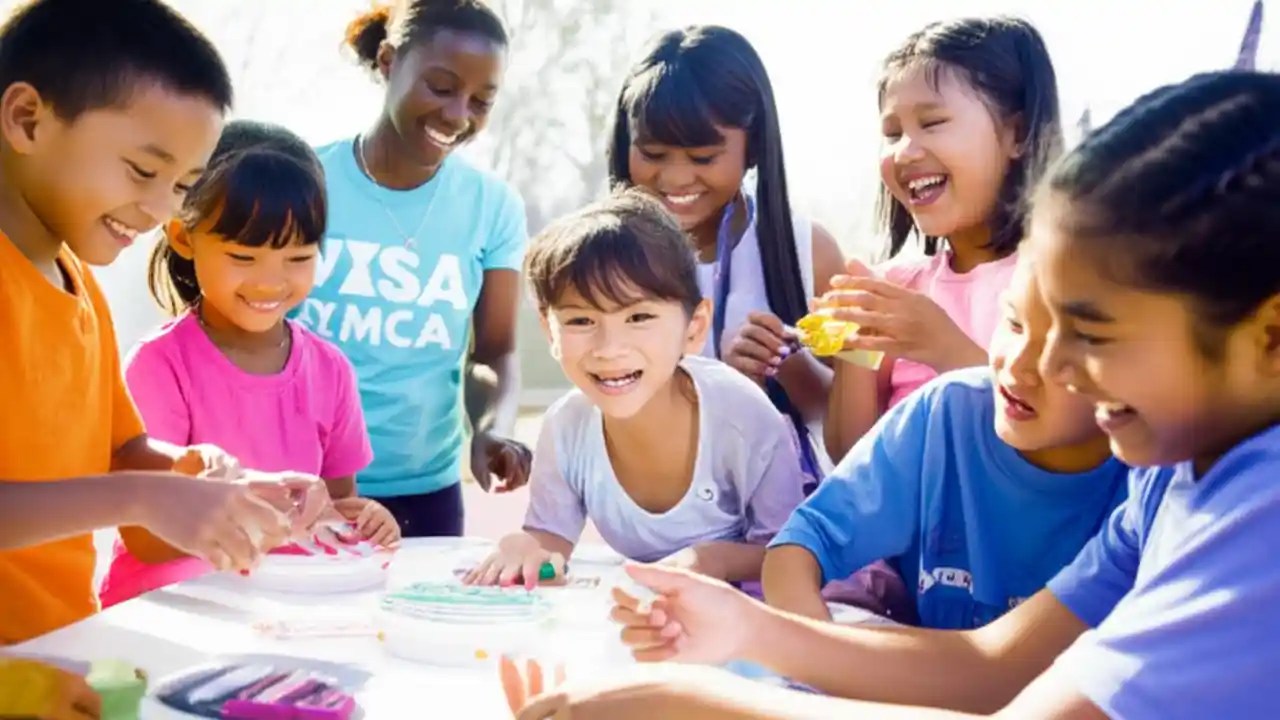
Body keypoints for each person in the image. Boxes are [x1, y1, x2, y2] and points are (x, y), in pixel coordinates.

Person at [507, 70, 1280, 720]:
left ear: (1269, 334)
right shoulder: (1172, 480)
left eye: (1094, 332)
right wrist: (746, 630)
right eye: (1021, 320)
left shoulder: (1262, 508)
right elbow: (992, 669)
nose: (1049, 366)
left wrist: (691, 699)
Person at [0, 0, 328, 645]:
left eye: (181, 188)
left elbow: (122, 454)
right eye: (144, 171)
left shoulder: (79, 282)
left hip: (58, 651)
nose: (156, 209)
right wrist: (141, 500)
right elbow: (127, 491)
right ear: (26, 118)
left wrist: (220, 485)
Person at [99, 121, 402, 608]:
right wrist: (255, 516)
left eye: (298, 257)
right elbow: (144, 538)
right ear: (183, 237)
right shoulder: (159, 367)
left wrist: (362, 518)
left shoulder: (331, 370)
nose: (270, 282)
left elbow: (335, 505)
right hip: (169, 608)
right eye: (244, 255)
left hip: (276, 607)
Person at [465, 190, 805, 588]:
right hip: (646, 620)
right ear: (549, 330)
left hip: (755, 617)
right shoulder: (566, 426)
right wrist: (526, 548)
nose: (610, 349)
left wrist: (716, 560)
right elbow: (551, 539)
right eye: (580, 321)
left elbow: (791, 551)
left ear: (693, 328)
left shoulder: (740, 414)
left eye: (639, 316)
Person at [763, 259, 1126, 627]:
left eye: (1058, 351)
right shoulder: (947, 410)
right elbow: (802, 544)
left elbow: (1006, 663)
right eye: (1014, 322)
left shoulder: (1152, 485)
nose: (1017, 367)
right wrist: (817, 651)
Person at [294, 0, 531, 537]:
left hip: (425, 495)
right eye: (441, 88)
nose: (458, 114)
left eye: (480, 101)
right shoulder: (305, 179)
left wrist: (492, 428)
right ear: (387, 62)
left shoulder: (494, 207)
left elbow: (494, 351)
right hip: (301, 483)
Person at [607, 25, 846, 478]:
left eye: (702, 159)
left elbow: (848, 426)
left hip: (782, 519)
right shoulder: (607, 261)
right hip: (659, 512)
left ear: (752, 147)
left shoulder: (806, 252)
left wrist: (785, 368)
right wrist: (726, 388)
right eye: (653, 153)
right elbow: (606, 413)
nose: (675, 180)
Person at [824, 16, 1063, 460]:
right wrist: (858, 347)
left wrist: (943, 348)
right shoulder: (897, 285)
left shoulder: (1059, 281)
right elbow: (851, 461)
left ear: (1016, 134)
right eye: (892, 133)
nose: (904, 151)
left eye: (932, 123)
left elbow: (1060, 443)